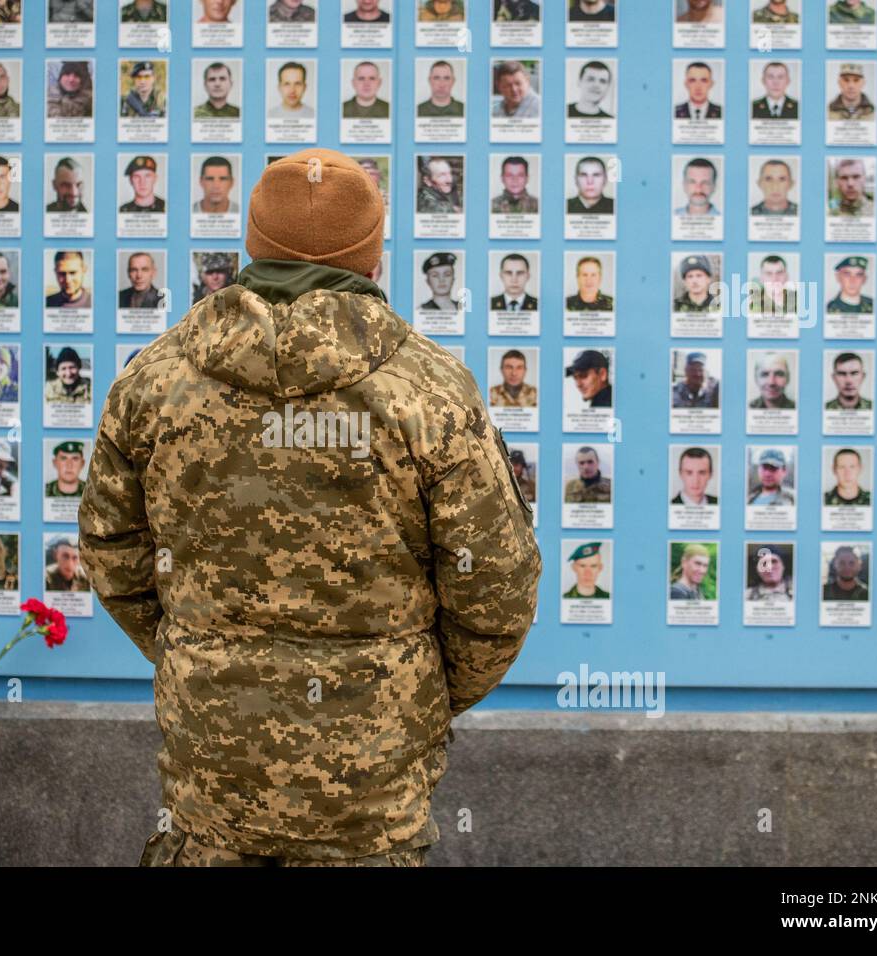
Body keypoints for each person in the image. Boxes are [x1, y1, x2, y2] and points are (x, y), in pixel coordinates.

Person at [78, 147, 539, 867]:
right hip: (373, 788)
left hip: (213, 776)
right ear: (373, 259)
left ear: (253, 246)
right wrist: (410, 691)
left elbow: (113, 554)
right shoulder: (433, 392)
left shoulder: (154, 381)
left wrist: (201, 655)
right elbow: (497, 591)